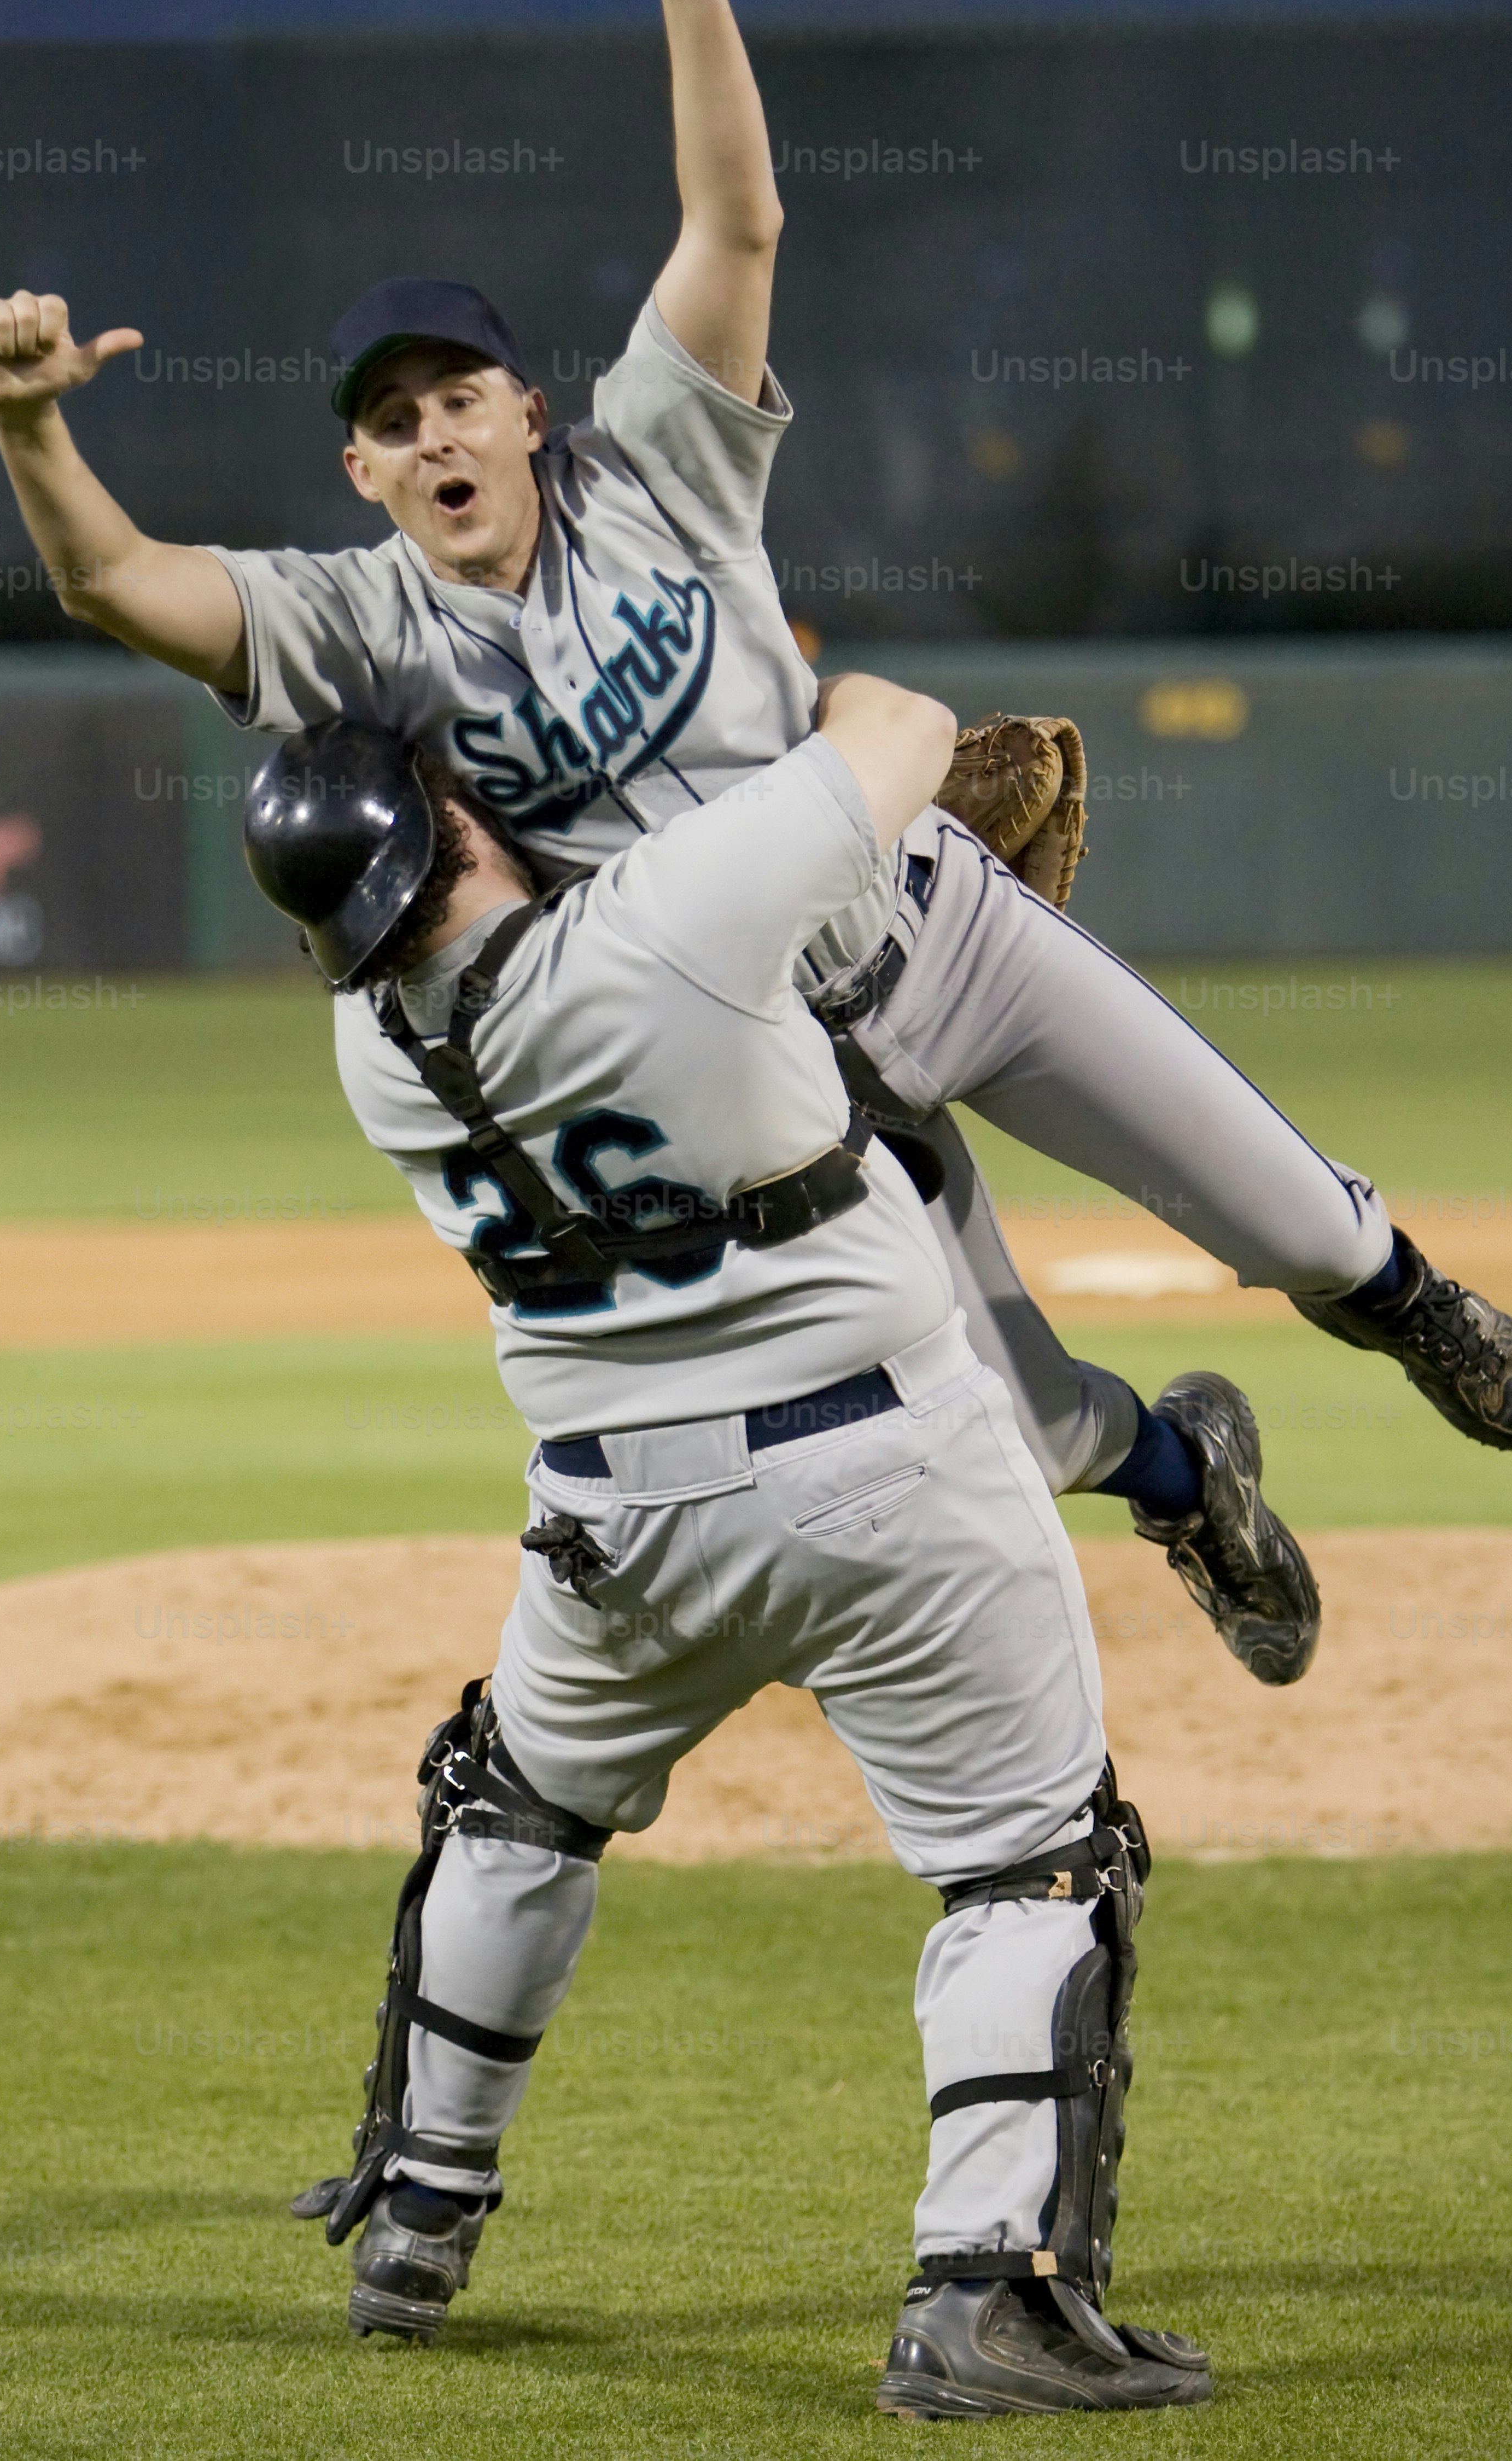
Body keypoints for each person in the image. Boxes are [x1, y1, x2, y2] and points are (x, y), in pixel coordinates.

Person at [0, 0, 1512, 1527]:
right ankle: (1183, 1478)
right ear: (362, 475)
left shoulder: (655, 460)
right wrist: (27, 423)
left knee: (1293, 1222)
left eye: (460, 395)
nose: (433, 431)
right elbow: (114, 580)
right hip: (771, 1075)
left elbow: (736, 224)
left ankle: (1410, 1300)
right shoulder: (357, 622)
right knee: (1003, 1429)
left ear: (531, 412)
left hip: (939, 936)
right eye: (394, 420)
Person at [242, 673, 1222, 2415]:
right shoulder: (670, 914)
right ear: (458, 818)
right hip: (881, 1479)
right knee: (1027, 1865)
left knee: (518, 1799)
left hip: (611, 1520)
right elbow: (899, 719)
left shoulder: (375, 1042)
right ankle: (985, 2296)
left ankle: (418, 2203)